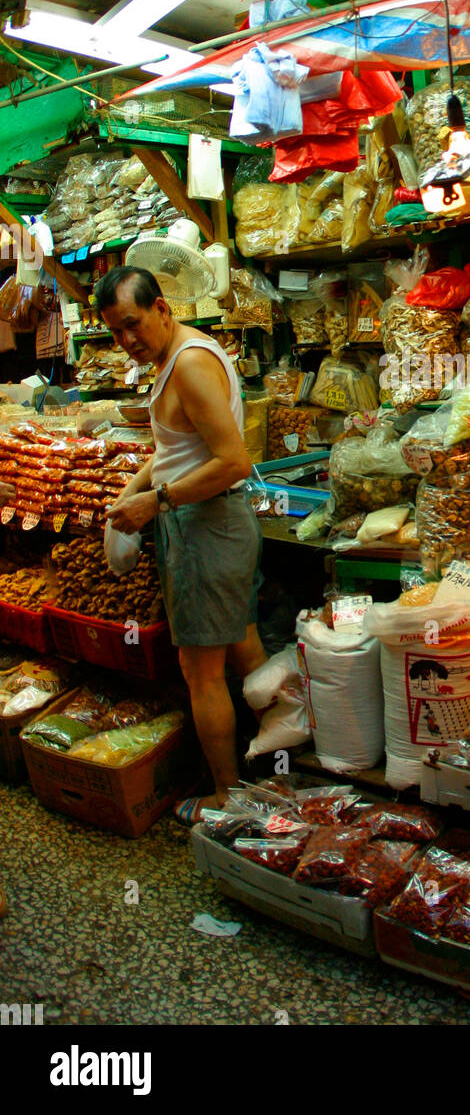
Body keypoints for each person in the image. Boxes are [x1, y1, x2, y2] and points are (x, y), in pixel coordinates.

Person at [94, 266, 267, 823]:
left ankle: (227, 794)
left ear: (162, 308)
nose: (127, 340)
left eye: (133, 324)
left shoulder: (189, 365)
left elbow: (233, 461)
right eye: (116, 332)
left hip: (205, 528)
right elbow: (177, 446)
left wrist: (157, 501)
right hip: (216, 524)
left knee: (201, 672)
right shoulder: (179, 355)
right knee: (242, 644)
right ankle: (277, 764)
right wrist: (134, 487)